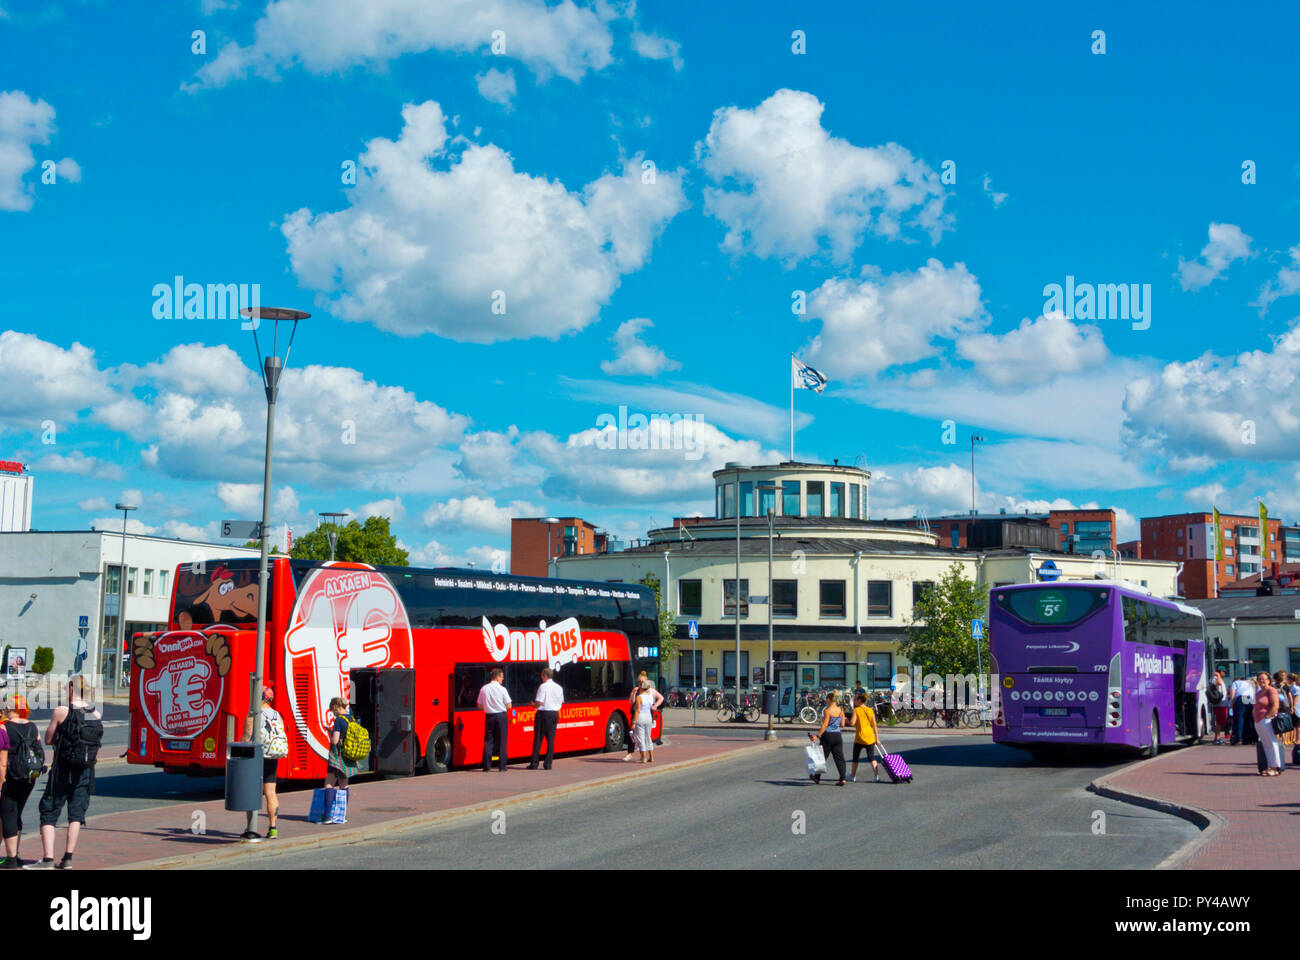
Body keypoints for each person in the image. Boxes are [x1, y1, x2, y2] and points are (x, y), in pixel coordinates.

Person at [29, 676, 102, 869]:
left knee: (48, 811)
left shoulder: (62, 711)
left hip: (62, 770)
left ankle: (47, 860)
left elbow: (48, 739)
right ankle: (68, 858)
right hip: (85, 771)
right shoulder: (95, 713)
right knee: (76, 815)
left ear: (71, 689)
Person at [1, 697, 41, 868]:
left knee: (8, 815)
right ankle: (15, 855)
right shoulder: (32, 726)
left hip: (10, 776)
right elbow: (39, 749)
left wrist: (1, 780)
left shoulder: (5, 728)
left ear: (11, 707)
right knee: (17, 813)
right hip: (28, 777)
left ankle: (10, 859)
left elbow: (2, 760)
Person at [243, 686, 288, 839]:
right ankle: (273, 828)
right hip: (272, 757)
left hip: (257, 757)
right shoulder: (277, 714)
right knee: (270, 793)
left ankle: (250, 827)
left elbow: (247, 737)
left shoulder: (254, 714)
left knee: (252, 793)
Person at [322, 696, 358, 823]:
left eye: (332, 710)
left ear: (336, 707)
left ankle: (327, 816)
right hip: (349, 756)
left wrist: (330, 732)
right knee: (344, 784)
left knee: (329, 783)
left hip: (337, 756)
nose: (333, 713)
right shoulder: (351, 718)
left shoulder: (338, 720)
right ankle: (341, 815)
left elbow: (335, 741)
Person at [809, 691, 849, 786]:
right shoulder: (841, 710)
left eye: (826, 699)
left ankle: (816, 777)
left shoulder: (827, 711)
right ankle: (843, 778)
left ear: (828, 699)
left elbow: (825, 725)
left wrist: (817, 736)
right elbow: (842, 725)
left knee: (822, 757)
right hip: (837, 736)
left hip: (828, 735)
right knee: (839, 758)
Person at [477, 668, 511, 772]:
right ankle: (502, 766)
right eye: (501, 676)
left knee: (488, 741)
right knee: (502, 741)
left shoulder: (484, 688)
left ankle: (487, 766)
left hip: (489, 716)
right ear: (497, 677)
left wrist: (488, 707)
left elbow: (479, 705)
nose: (503, 679)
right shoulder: (502, 689)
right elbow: (509, 705)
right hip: (501, 716)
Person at [528, 667, 564, 770]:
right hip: (554, 714)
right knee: (551, 740)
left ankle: (534, 763)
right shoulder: (559, 687)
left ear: (545, 675)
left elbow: (538, 703)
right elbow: (562, 702)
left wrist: (532, 704)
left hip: (543, 714)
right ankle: (548, 764)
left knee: (538, 739)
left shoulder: (543, 687)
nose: (541, 678)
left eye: (541, 676)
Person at [1253, 672, 1284, 776]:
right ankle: (1269, 766)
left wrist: (1268, 716)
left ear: (1269, 680)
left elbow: (1275, 705)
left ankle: (1275, 767)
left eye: (1264, 679)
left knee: (1272, 743)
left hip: (1267, 720)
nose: (1262, 681)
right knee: (1266, 744)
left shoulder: (1271, 690)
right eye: (1260, 679)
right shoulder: (1258, 692)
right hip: (1258, 721)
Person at [849, 692, 880, 782]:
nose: (854, 701)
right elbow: (874, 725)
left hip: (859, 737)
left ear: (859, 700)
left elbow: (852, 723)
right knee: (872, 757)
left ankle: (853, 776)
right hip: (870, 737)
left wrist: (847, 720)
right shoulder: (870, 710)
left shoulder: (856, 710)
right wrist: (877, 738)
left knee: (855, 758)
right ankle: (876, 776)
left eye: (855, 699)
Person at [632, 679, 663, 763]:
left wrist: (634, 722)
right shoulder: (650, 697)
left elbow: (637, 710)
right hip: (649, 717)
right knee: (648, 737)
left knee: (641, 738)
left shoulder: (639, 697)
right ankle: (651, 757)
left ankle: (643, 758)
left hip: (641, 717)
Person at [624, 671, 648, 761]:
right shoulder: (636, 690)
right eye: (638, 682)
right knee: (631, 734)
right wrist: (633, 693)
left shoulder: (648, 691)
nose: (640, 683)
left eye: (641, 682)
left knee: (644, 735)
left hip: (644, 714)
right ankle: (630, 753)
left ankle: (645, 755)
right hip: (635, 714)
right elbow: (631, 702)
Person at [1228, 673, 1255, 745]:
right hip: (1250, 699)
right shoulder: (1249, 683)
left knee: (1239, 718)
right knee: (1248, 719)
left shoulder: (1235, 682)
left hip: (1241, 698)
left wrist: (1232, 703)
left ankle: (1238, 737)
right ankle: (1247, 738)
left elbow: (1233, 693)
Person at [1208, 669, 1229, 744]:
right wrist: (1217, 675)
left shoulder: (1219, 678)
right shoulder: (1215, 678)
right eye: (1224, 672)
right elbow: (1218, 683)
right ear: (1220, 672)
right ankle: (1217, 738)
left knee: (1221, 721)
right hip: (1219, 704)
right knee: (1219, 722)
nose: (1225, 674)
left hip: (1223, 704)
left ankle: (1218, 737)